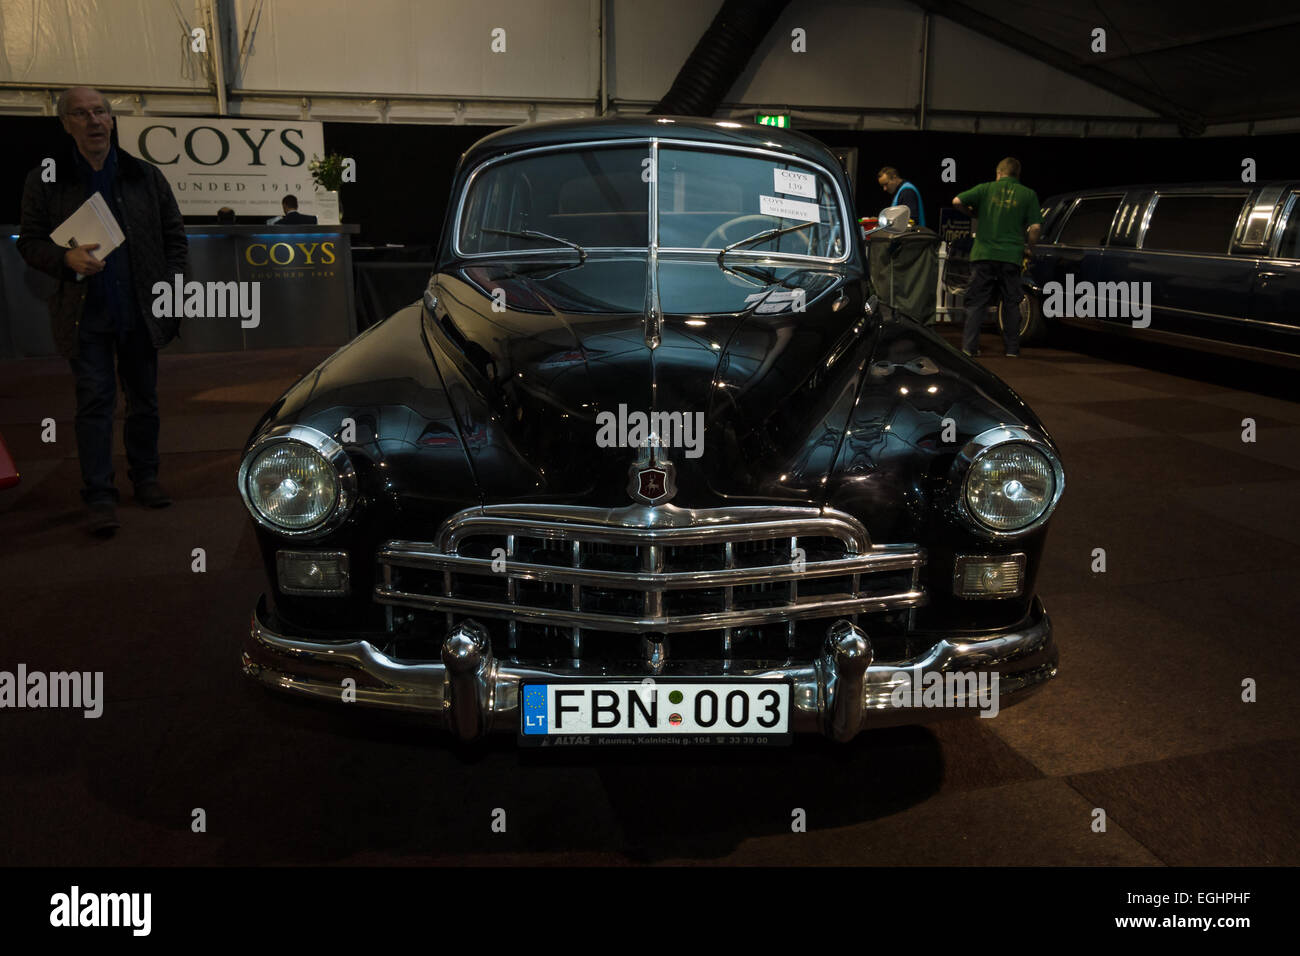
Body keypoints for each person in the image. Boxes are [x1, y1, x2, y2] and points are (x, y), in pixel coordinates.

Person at [18, 87, 188, 535]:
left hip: (140, 311)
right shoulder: (46, 179)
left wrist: (171, 286)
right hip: (84, 313)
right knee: (94, 402)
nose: (94, 121)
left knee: (145, 400)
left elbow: (175, 238)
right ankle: (98, 494)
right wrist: (64, 260)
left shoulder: (144, 176)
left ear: (112, 121)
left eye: (101, 112)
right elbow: (31, 242)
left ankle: (146, 478)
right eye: (81, 114)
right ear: (65, 124)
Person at [952, 157, 1042, 357]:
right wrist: (1029, 248)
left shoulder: (985, 189)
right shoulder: (1028, 194)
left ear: (998, 173)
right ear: (1017, 175)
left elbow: (957, 201)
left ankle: (970, 347)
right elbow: (1035, 227)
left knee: (977, 302)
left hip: (984, 254)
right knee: (1011, 302)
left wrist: (972, 214)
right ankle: (1012, 349)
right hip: (1011, 256)